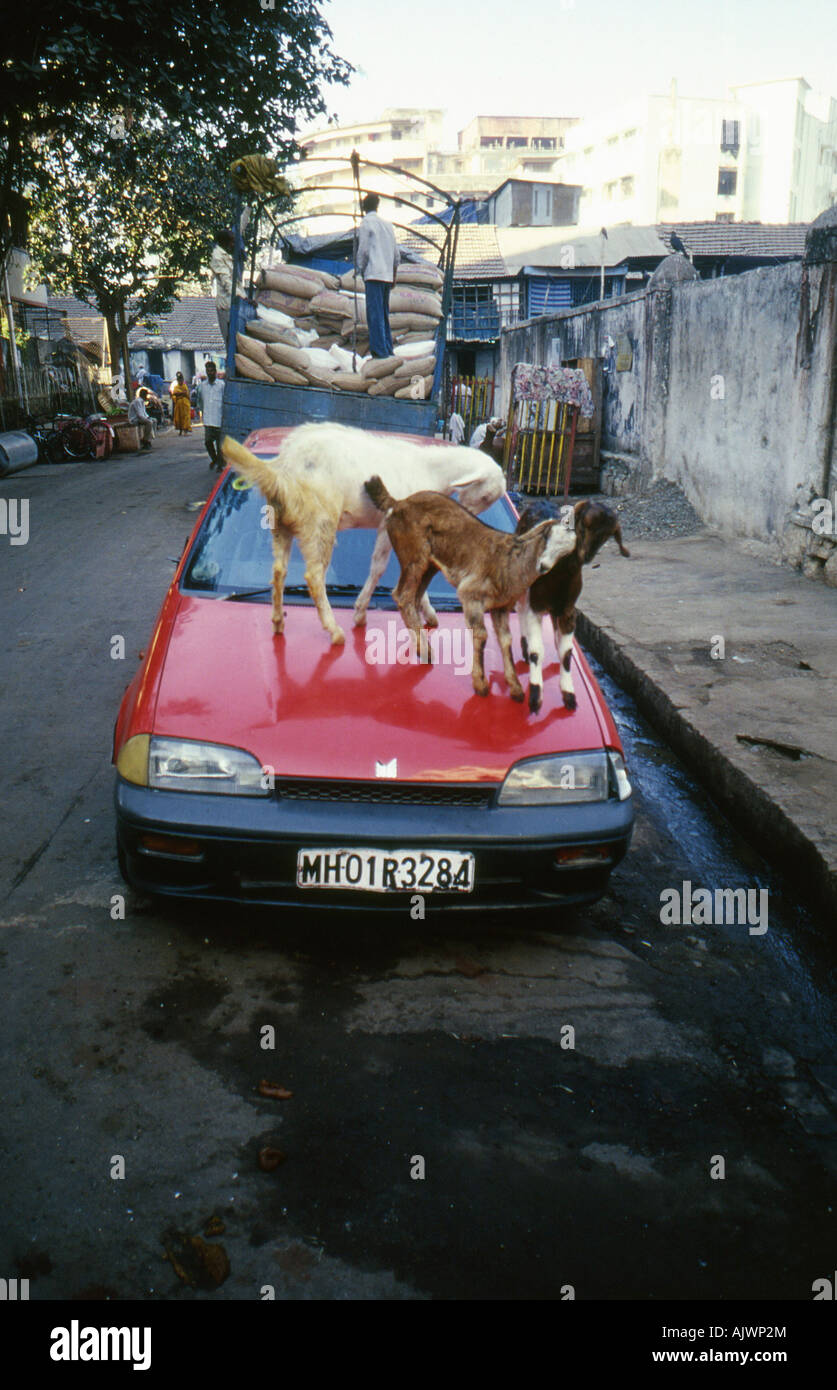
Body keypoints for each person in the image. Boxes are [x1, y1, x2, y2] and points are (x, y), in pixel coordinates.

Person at [356, 193, 400, 358]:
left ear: (364, 208)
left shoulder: (366, 222)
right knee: (383, 314)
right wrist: (393, 276)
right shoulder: (388, 226)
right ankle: (388, 348)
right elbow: (396, 256)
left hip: (373, 275)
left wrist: (360, 269)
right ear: (377, 206)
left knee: (374, 315)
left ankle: (380, 352)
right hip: (387, 277)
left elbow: (364, 250)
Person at [197, 360, 225, 471]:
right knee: (208, 442)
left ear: (215, 372)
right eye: (208, 371)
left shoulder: (221, 385)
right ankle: (215, 459)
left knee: (219, 444)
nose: (210, 373)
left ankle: (219, 464)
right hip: (208, 419)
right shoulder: (202, 386)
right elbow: (200, 401)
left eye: (212, 371)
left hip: (219, 419)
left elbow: (225, 401)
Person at [210, 230, 236, 344]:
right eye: (232, 242)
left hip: (230, 304)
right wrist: (244, 298)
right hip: (225, 306)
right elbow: (227, 282)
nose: (233, 245)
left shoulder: (226, 256)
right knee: (229, 342)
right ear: (225, 242)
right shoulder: (217, 257)